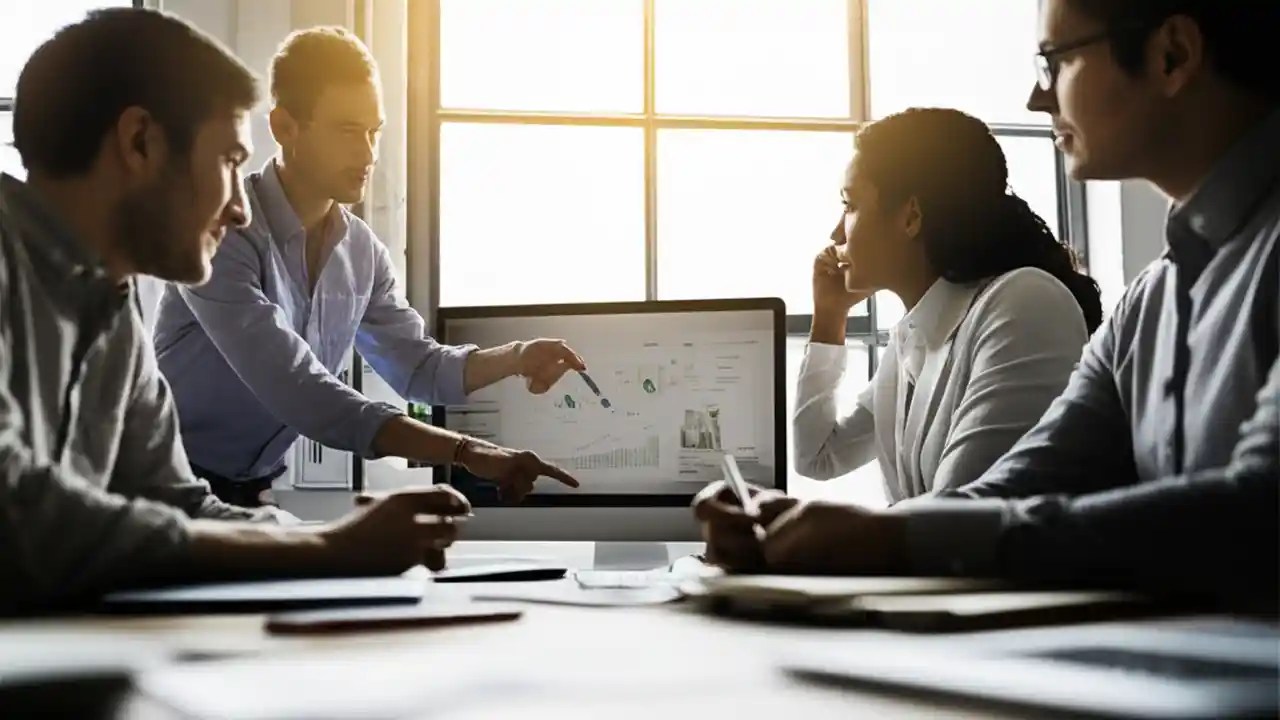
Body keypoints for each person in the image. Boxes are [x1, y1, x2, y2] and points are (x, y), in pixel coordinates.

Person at [695, 0, 1279, 604]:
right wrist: (810, 529)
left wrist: (885, 538)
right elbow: (1017, 487)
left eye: (1053, 61)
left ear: (1171, 55)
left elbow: (1262, 510)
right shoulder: (1147, 306)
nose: (1035, 97)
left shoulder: (1028, 303)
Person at [0, 8, 472, 612]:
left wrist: (330, 542)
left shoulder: (113, 313)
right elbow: (18, 514)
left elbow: (180, 504)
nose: (242, 211)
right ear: (140, 142)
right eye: (228, 161)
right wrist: (327, 549)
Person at [153, 27, 583, 508]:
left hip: (252, 492)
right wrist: (466, 451)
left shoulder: (362, 253)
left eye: (373, 132)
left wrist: (517, 356)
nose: (368, 155)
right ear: (284, 127)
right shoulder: (222, 231)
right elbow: (303, 391)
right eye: (346, 131)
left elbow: (419, 369)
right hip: (159, 484)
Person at [797, 107, 1101, 502]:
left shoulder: (1023, 303)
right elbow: (817, 457)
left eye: (850, 205)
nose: (837, 232)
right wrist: (830, 318)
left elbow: (960, 515)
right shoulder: (910, 341)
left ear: (911, 216)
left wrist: (809, 535)